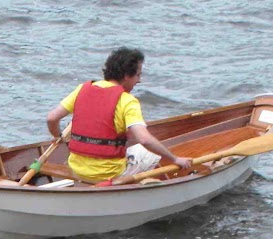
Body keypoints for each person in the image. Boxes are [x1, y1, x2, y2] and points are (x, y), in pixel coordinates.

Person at [44, 48, 192, 185]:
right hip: (108, 174)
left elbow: (52, 118)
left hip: (77, 169)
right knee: (150, 152)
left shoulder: (82, 89)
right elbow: (144, 139)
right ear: (127, 76)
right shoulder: (127, 100)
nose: (139, 81)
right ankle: (152, 189)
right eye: (138, 75)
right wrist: (175, 159)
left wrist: (60, 137)